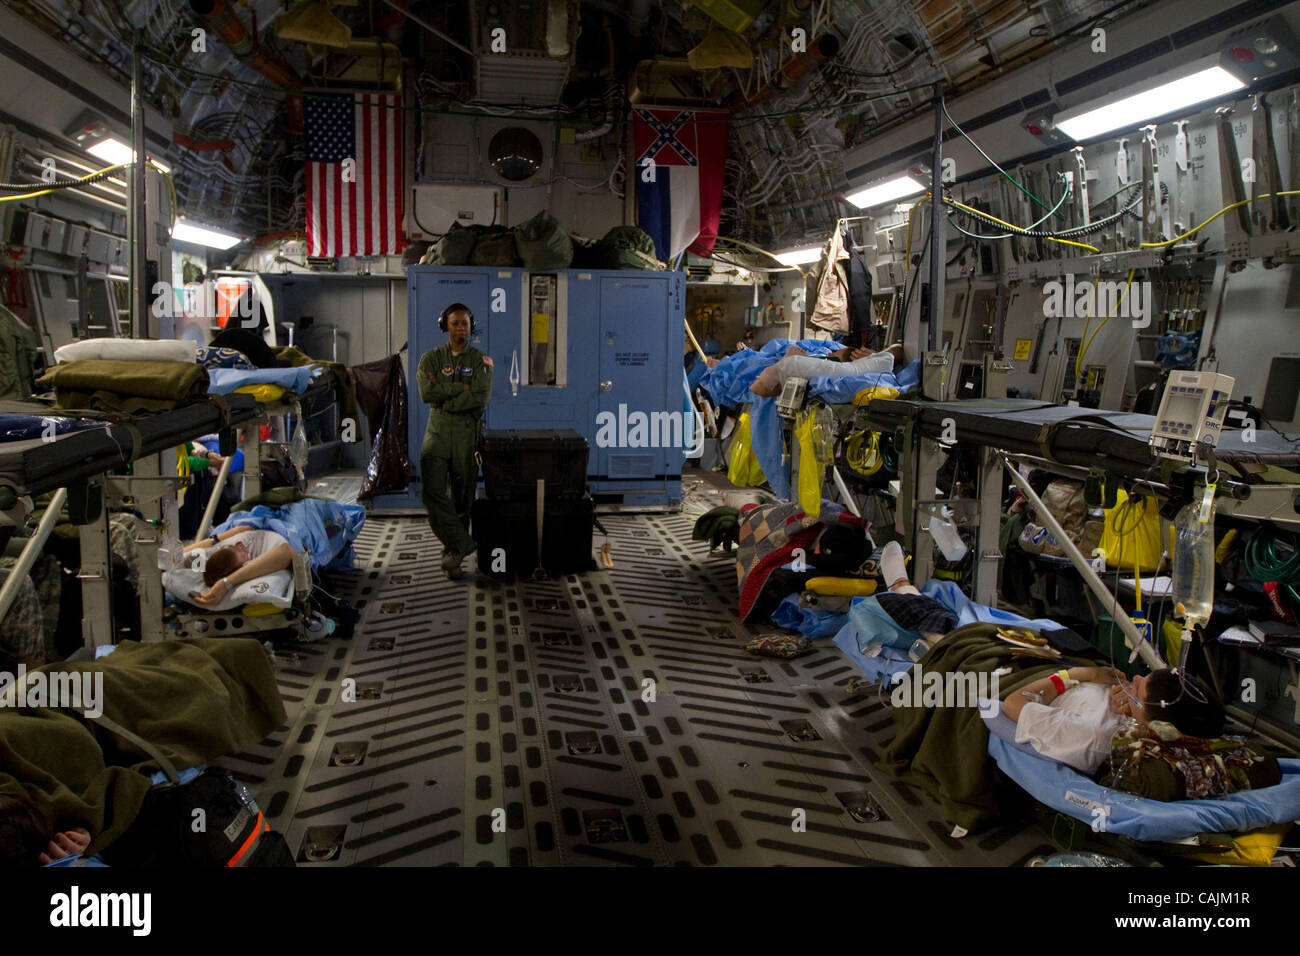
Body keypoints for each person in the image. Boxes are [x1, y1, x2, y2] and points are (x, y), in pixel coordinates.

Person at [417, 303, 493, 579]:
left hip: (465, 434)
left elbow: (479, 398)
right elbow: (426, 392)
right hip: (436, 433)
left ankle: (454, 556)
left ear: (471, 325)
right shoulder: (430, 359)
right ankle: (462, 543)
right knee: (432, 492)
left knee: (462, 497)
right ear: (444, 326)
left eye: (464, 323)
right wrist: (460, 387)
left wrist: (445, 394)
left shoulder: (481, 361)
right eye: (455, 323)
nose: (460, 328)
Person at [183, 524, 297, 606]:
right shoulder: (259, 561)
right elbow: (287, 552)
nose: (241, 545)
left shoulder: (215, 552)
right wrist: (226, 583)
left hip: (237, 525)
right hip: (286, 526)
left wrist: (221, 537)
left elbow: (181, 553)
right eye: (242, 553)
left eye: (236, 547)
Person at [750, 341, 905, 397]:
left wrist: (787, 358)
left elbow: (758, 387)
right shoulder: (881, 362)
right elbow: (896, 349)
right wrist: (875, 356)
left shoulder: (799, 364)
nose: (829, 352)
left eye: (834, 353)